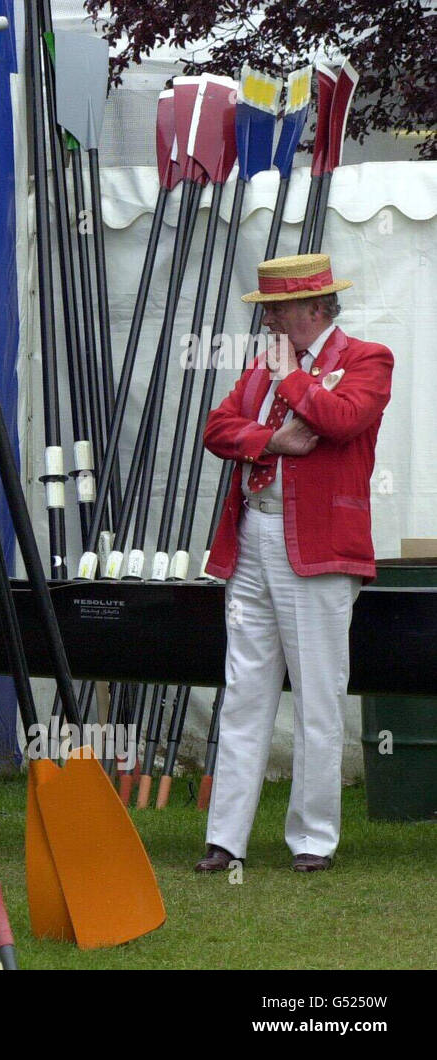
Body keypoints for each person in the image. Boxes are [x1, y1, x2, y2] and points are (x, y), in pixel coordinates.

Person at [194, 252, 392, 873]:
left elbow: (341, 420)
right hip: (253, 538)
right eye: (266, 311)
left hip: (319, 547)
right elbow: (217, 427)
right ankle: (226, 837)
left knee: (317, 698)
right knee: (244, 691)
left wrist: (290, 382)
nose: (268, 322)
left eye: (276, 310)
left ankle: (313, 840)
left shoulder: (366, 359)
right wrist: (270, 440)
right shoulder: (267, 364)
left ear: (315, 308)